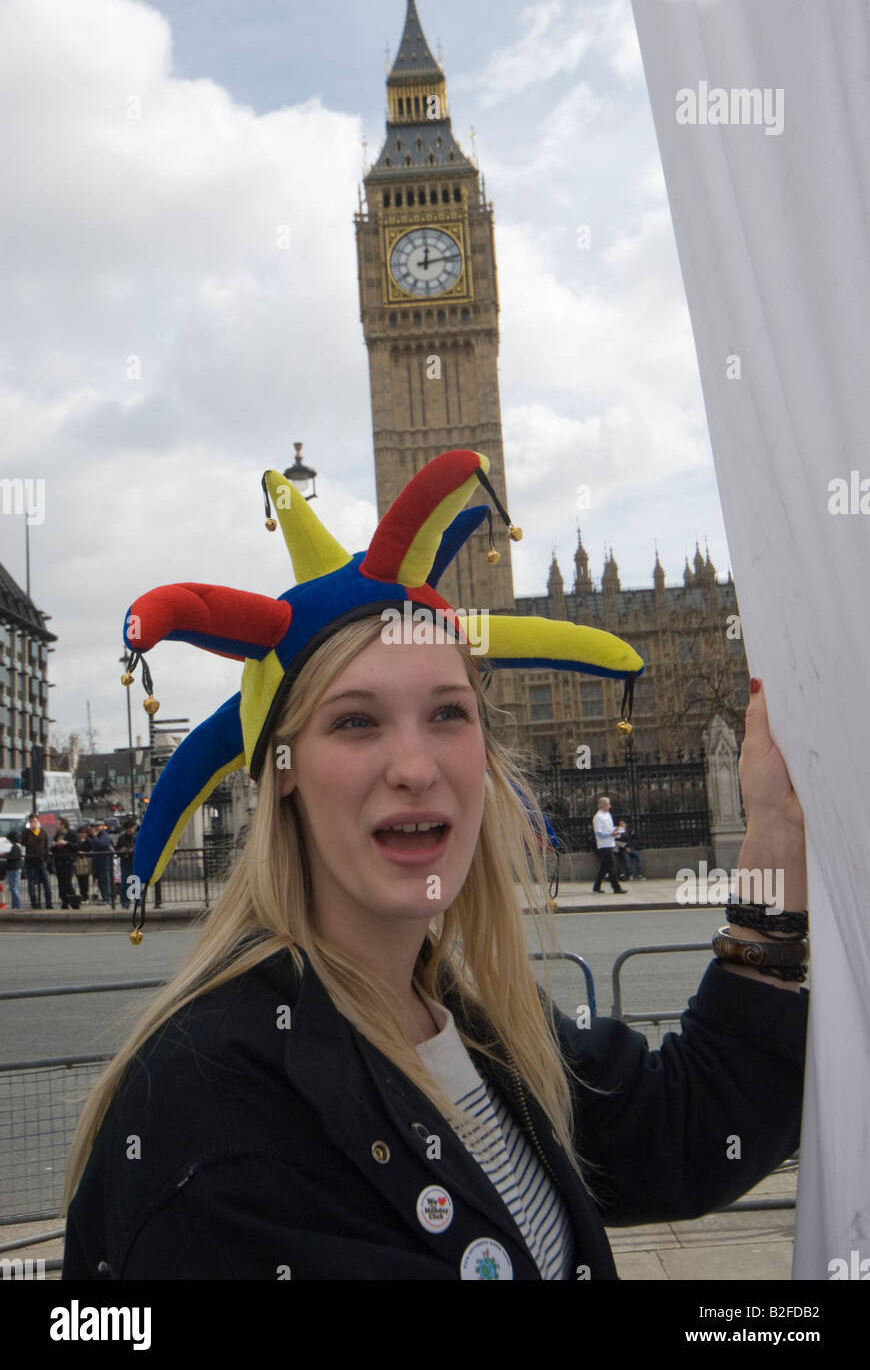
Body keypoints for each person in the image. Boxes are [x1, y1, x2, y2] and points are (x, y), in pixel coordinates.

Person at [60, 452, 807, 1281]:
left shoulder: (468, 1024)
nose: (414, 764)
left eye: (448, 713)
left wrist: (774, 840)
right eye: (355, 722)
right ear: (282, 775)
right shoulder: (207, 1112)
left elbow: (688, 1129)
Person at [591, 795, 626, 894]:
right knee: (612, 867)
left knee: (604, 867)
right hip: (603, 845)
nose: (610, 806)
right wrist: (611, 834)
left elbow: (610, 829)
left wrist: (619, 829)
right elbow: (598, 832)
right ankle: (616, 887)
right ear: (603, 805)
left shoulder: (608, 815)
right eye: (608, 804)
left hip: (610, 843)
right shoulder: (598, 817)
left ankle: (596, 886)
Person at [22, 813, 53, 909]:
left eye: (34, 821)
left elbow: (46, 846)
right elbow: (27, 843)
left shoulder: (42, 831)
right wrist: (30, 831)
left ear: (38, 821)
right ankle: (34, 903)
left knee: (46, 882)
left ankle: (49, 903)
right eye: (31, 821)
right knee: (31, 883)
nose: (33, 823)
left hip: (41, 860)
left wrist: (46, 860)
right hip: (31, 860)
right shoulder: (26, 833)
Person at [50, 817, 79, 910]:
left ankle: (74, 902)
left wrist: (66, 843)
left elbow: (76, 846)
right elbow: (52, 848)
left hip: (68, 861)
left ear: (63, 825)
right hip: (58, 861)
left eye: (58, 824)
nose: (56, 826)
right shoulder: (57, 835)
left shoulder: (72, 834)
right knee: (61, 884)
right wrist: (54, 845)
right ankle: (64, 902)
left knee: (67, 883)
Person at [90, 822, 116, 907]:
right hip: (98, 862)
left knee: (105, 880)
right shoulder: (96, 836)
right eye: (94, 826)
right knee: (100, 881)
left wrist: (94, 836)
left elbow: (101, 844)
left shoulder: (104, 836)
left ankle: (107, 897)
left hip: (104, 861)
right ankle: (105, 897)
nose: (95, 828)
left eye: (98, 826)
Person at [114, 819, 138, 910]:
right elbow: (117, 849)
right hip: (125, 863)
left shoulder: (137, 837)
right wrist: (121, 850)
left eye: (131, 828)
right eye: (127, 829)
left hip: (135, 862)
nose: (130, 830)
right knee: (125, 884)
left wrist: (132, 850)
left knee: (136, 883)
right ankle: (125, 902)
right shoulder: (121, 838)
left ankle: (138, 901)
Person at [73, 825, 95, 907]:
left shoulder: (89, 841)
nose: (82, 834)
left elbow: (91, 850)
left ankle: (86, 896)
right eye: (81, 833)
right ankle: (82, 895)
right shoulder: (77, 841)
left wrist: (84, 852)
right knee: (80, 880)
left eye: (84, 833)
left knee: (85, 879)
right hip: (78, 861)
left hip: (86, 861)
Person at [5, 830, 24, 909]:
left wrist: (5, 856)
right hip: (15, 868)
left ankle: (18, 904)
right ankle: (14, 905)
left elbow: (13, 856)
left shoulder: (15, 847)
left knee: (13, 887)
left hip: (14, 868)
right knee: (13, 887)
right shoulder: (18, 846)